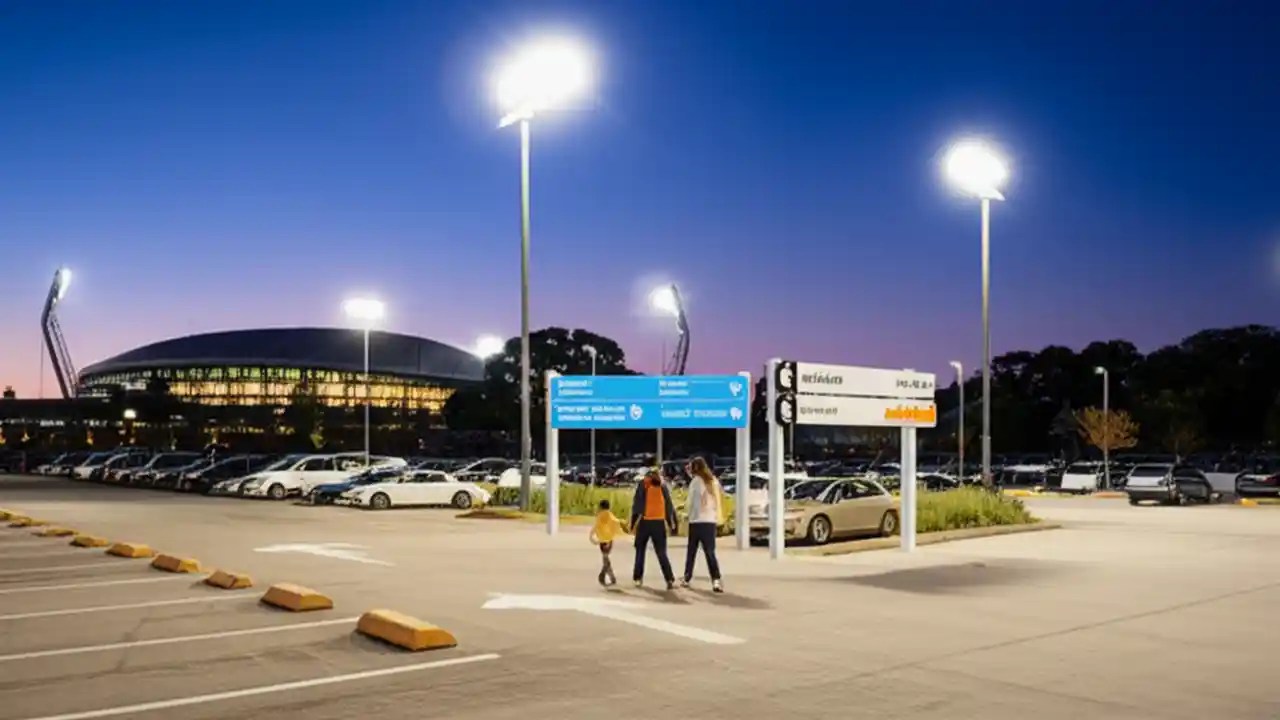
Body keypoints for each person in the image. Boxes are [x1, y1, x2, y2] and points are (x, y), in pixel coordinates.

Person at [630, 469, 678, 590]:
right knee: (661, 552)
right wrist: (671, 523)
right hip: (659, 522)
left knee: (640, 551)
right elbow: (669, 506)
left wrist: (632, 523)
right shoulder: (662, 486)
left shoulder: (643, 484)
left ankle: (638, 578)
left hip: (645, 522)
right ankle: (669, 578)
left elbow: (637, 505)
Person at [682, 456, 725, 592]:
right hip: (710, 521)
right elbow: (718, 501)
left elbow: (693, 502)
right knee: (710, 552)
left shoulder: (696, 482)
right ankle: (716, 580)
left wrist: (686, 515)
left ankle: (687, 577)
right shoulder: (713, 481)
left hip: (696, 521)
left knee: (692, 551)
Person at [589, 499, 626, 587]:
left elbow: (596, 527)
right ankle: (610, 576)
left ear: (601, 507)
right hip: (608, 540)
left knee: (605, 558)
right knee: (605, 558)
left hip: (602, 541)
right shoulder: (610, 516)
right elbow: (616, 523)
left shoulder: (600, 516)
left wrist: (592, 537)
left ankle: (606, 575)